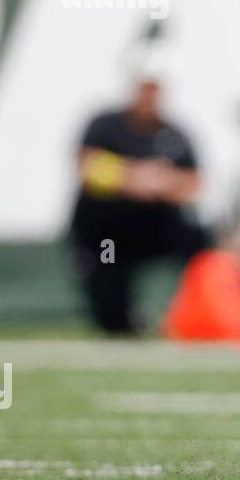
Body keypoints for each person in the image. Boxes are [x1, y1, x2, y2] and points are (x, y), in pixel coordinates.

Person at [69, 51, 208, 334]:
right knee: (113, 322)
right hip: (107, 232)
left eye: (155, 87)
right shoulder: (104, 125)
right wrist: (134, 177)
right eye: (144, 86)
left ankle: (197, 314)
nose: (148, 94)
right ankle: (121, 318)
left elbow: (194, 185)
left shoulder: (175, 134)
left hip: (152, 227)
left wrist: (161, 182)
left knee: (200, 240)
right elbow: (85, 168)